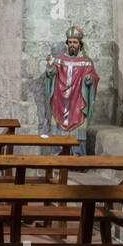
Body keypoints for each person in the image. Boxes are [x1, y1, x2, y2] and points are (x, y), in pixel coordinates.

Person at [45, 25, 99, 155]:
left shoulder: (86, 62)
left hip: (77, 102)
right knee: (58, 129)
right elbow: (51, 74)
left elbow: (93, 77)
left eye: (75, 42)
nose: (72, 45)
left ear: (80, 44)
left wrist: (89, 80)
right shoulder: (59, 60)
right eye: (70, 42)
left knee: (78, 131)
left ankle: (78, 157)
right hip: (60, 102)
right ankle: (57, 155)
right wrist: (50, 68)